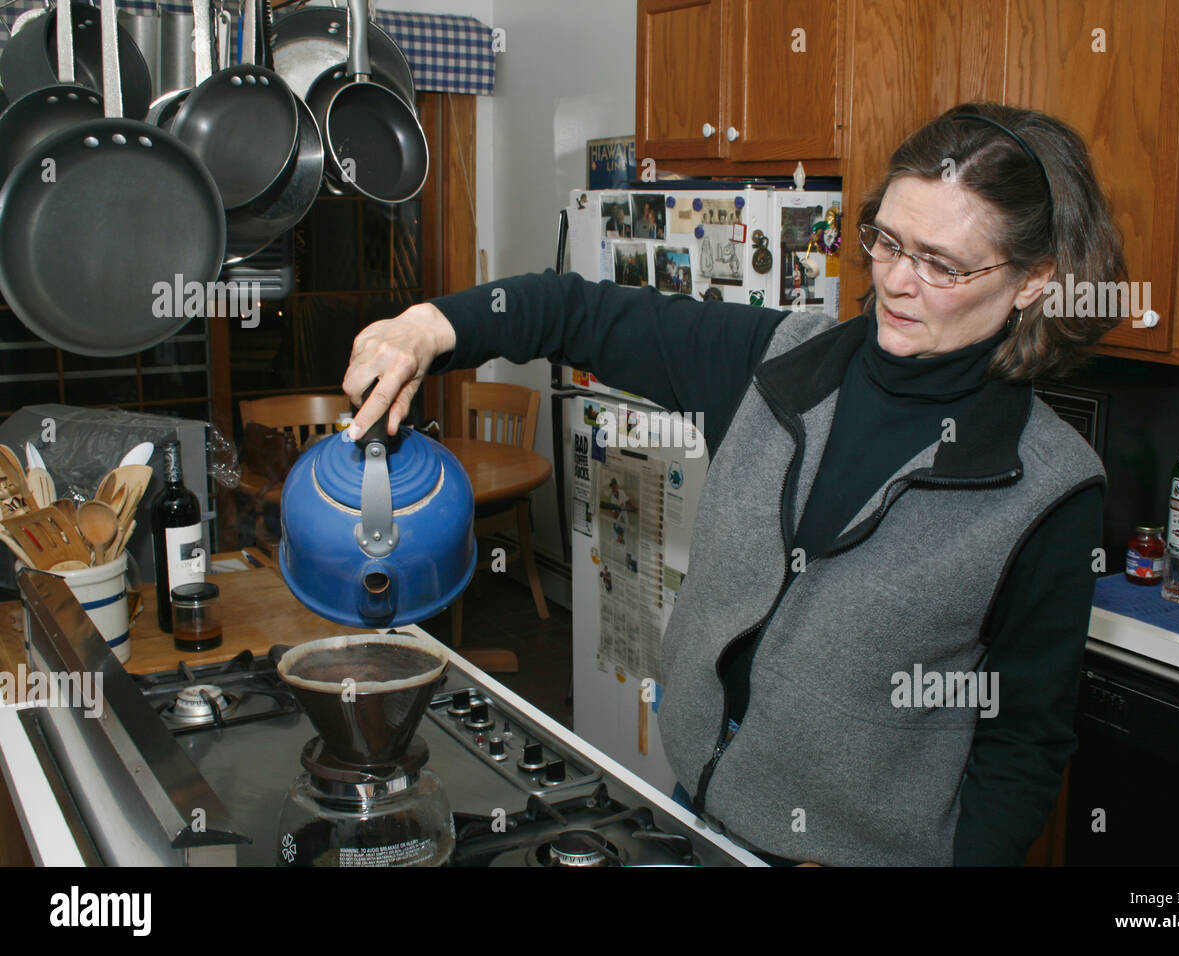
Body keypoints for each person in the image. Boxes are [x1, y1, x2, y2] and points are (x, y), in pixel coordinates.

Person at [343, 102, 1126, 866]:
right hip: (698, 815)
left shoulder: (1049, 488)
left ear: (1032, 282)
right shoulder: (782, 364)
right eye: (886, 239)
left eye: (941, 264)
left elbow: (1023, 738)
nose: (895, 280)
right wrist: (425, 330)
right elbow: (576, 312)